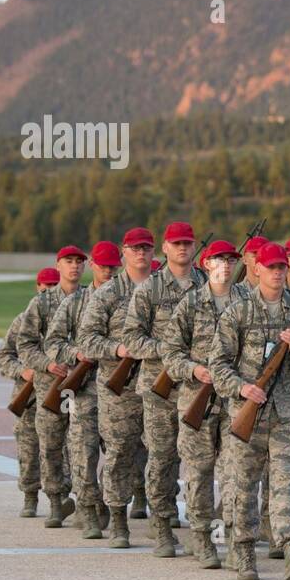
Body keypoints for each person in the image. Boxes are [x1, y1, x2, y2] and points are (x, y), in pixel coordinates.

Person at [210, 241, 290, 580]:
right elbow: (218, 364)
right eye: (271, 267)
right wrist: (242, 388)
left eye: (281, 267)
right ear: (257, 269)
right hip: (249, 411)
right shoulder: (238, 312)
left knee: (286, 483)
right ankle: (244, 550)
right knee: (245, 485)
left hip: (288, 411)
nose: (277, 273)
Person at [161, 239, 250, 570]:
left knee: (234, 473)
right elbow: (170, 354)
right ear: (206, 265)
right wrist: (195, 370)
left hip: (233, 401)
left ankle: (231, 536)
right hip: (196, 397)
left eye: (230, 260)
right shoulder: (190, 304)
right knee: (198, 472)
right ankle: (200, 535)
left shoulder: (246, 301)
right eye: (218, 260)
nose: (225, 265)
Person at [123, 221, 206, 557]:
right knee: (162, 457)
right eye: (176, 243)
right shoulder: (150, 289)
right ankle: (162, 525)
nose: (183, 248)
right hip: (160, 388)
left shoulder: (206, 286)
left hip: (198, 386)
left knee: (199, 459)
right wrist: (168, 349)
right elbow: (131, 338)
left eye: (188, 243)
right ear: (166, 249)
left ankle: (200, 529)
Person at [78, 227, 154, 547]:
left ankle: (161, 516)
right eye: (134, 248)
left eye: (146, 248)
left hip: (156, 385)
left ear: (154, 252)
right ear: (124, 251)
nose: (140, 253)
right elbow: (86, 340)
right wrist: (118, 350)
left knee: (162, 453)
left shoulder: (162, 290)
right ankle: (118, 519)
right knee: (120, 452)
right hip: (118, 388)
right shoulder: (107, 294)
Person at [44, 241, 120, 539]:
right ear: (93, 266)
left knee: (120, 451)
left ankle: (109, 501)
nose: (108, 271)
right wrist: (76, 355)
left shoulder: (128, 300)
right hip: (85, 388)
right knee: (83, 450)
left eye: (113, 266)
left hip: (118, 389)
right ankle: (87, 507)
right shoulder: (75, 302)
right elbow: (53, 343)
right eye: (103, 266)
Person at [16, 245, 87, 529]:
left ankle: (86, 502)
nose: (74, 267)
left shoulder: (91, 299)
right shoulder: (42, 303)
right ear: (58, 265)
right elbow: (25, 345)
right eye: (68, 262)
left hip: (84, 385)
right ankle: (56, 502)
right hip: (50, 387)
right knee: (51, 447)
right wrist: (47, 364)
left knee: (84, 446)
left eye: (79, 262)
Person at [0, 270, 55, 516]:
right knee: (28, 447)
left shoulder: (69, 318)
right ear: (38, 287)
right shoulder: (23, 320)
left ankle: (59, 499)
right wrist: (23, 372)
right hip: (29, 394)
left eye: (54, 286)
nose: (49, 291)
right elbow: (4, 356)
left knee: (59, 449)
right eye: (46, 286)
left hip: (57, 392)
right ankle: (30, 495)